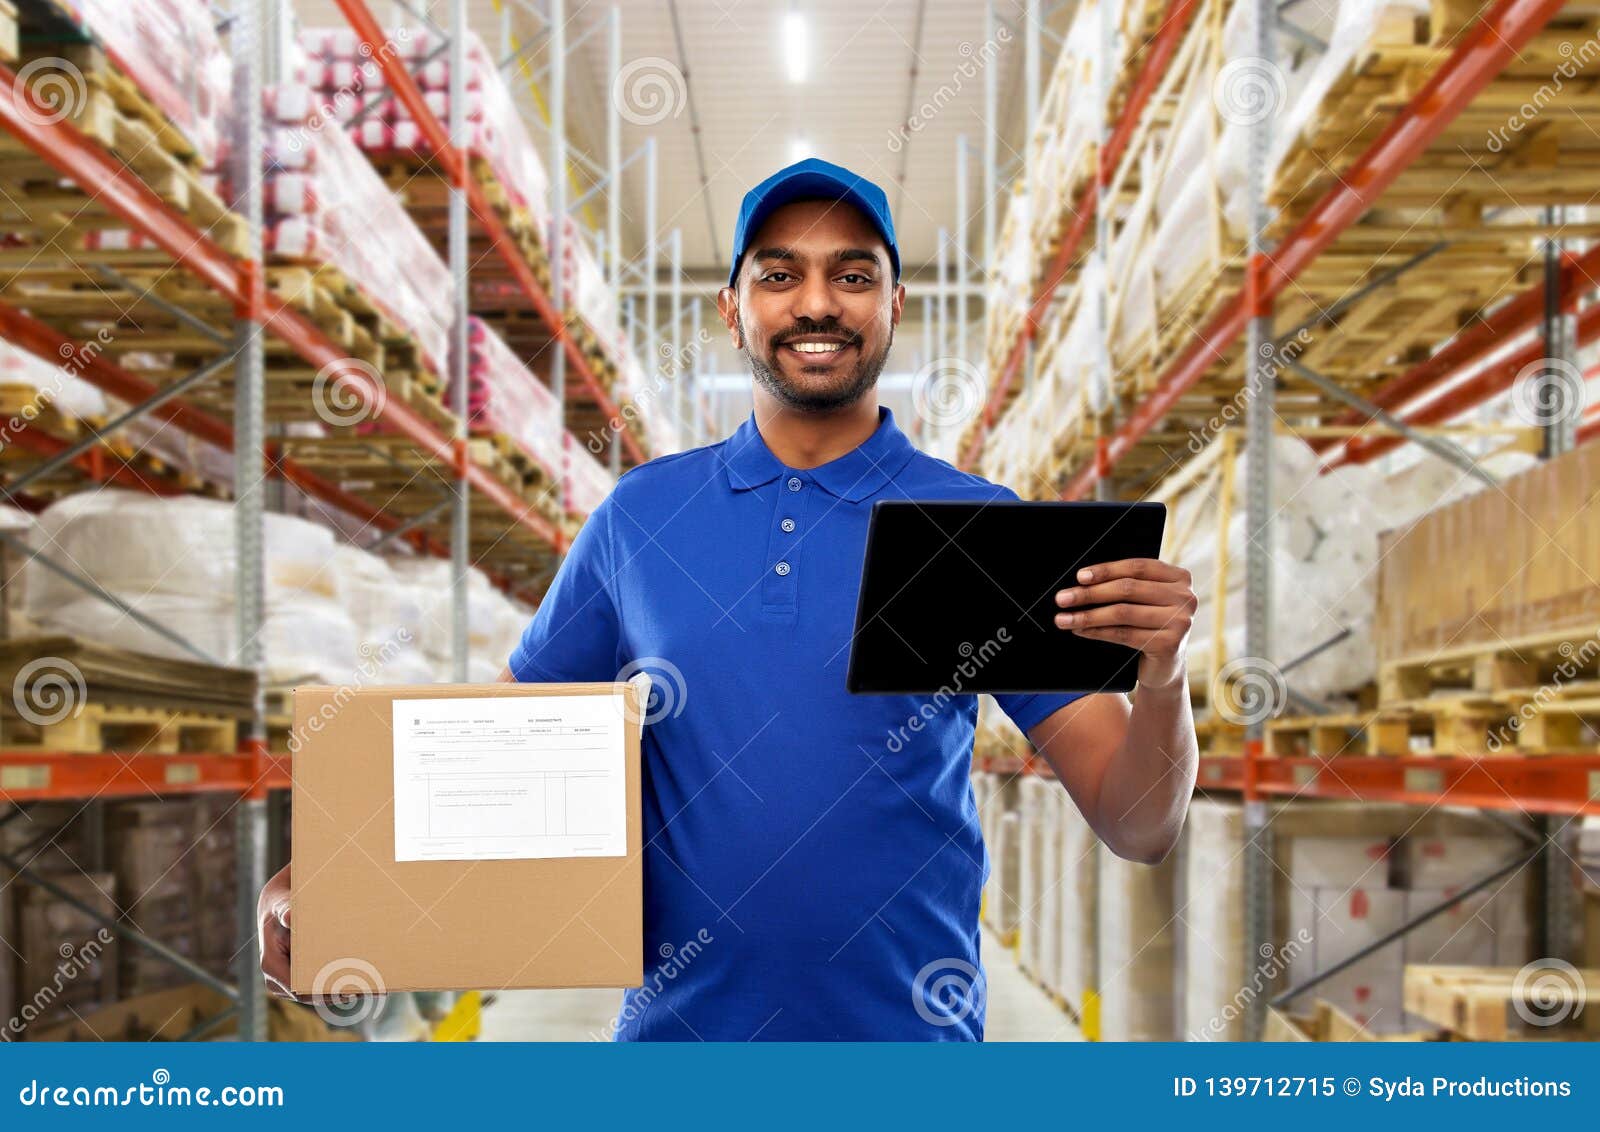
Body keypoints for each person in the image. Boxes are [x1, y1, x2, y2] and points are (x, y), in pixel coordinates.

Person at [260, 157, 1198, 1040]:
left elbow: (1138, 822)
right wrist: (333, 883)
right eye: (780, 275)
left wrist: (1162, 679)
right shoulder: (641, 517)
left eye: (854, 275)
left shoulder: (975, 529)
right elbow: (489, 758)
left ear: (894, 304)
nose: (817, 303)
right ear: (733, 308)